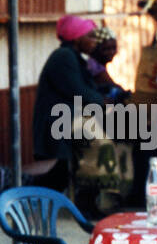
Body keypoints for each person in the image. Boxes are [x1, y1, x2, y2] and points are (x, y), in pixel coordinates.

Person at [31, 15, 105, 194]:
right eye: (90, 37)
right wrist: (102, 102)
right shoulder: (64, 57)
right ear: (77, 38)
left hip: (66, 121)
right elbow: (77, 91)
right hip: (57, 122)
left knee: (61, 172)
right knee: (58, 172)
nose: (94, 41)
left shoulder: (74, 57)